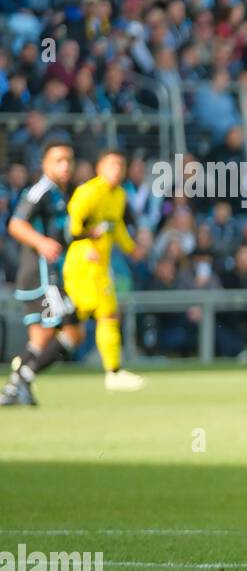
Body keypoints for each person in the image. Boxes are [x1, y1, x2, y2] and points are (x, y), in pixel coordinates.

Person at [2, 139, 84, 406]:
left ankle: (14, 390)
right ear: (45, 163)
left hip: (40, 275)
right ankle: (24, 377)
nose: (65, 166)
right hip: (42, 276)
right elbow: (15, 224)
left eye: (69, 160)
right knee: (73, 332)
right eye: (58, 160)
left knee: (39, 339)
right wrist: (42, 243)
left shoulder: (61, 193)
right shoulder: (41, 191)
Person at [60, 148, 146, 392]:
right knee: (94, 316)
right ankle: (113, 372)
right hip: (82, 265)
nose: (116, 170)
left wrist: (131, 248)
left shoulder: (118, 195)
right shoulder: (88, 193)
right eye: (111, 165)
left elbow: (115, 227)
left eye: (120, 165)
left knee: (89, 318)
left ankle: (33, 357)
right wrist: (87, 242)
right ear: (100, 167)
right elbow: (71, 228)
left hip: (99, 266)